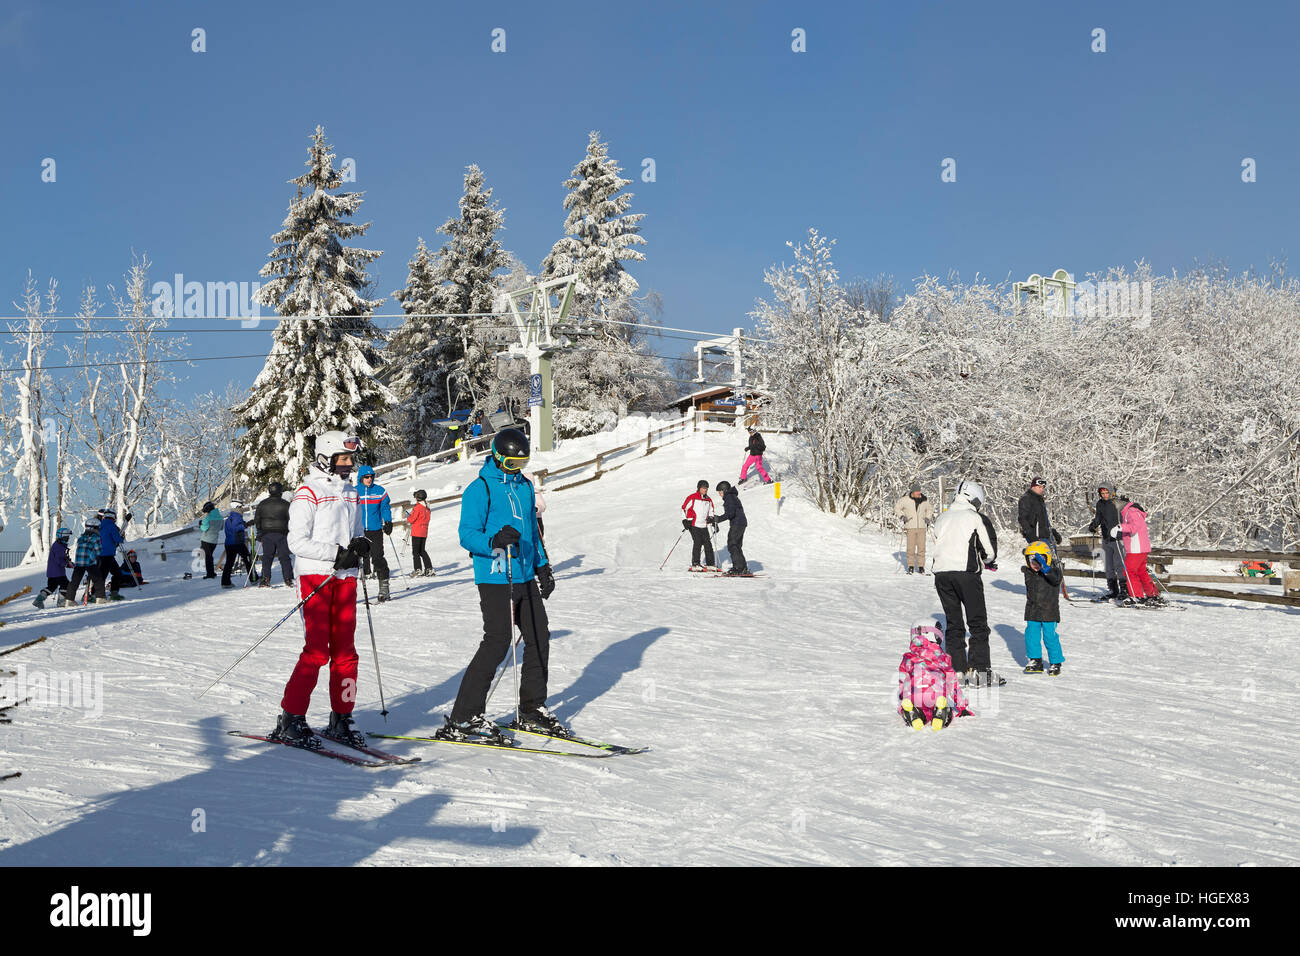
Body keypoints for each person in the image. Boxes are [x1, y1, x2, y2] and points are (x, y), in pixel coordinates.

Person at [439, 427, 559, 741]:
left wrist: (543, 567)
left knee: (539, 638)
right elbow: (467, 534)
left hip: (524, 574)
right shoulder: (480, 489)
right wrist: (493, 539)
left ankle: (532, 709)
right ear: (496, 457)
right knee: (497, 641)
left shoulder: (526, 488)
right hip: (495, 575)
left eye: (521, 464)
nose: (516, 470)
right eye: (510, 465)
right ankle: (464, 716)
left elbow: (533, 532)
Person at [273, 430, 371, 749]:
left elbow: (355, 532)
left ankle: (341, 717)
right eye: (342, 459)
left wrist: (360, 545)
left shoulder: (352, 492)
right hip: (316, 576)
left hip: (345, 578)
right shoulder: (308, 491)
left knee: (346, 652)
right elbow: (296, 542)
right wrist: (335, 552)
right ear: (324, 459)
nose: (348, 465)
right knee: (317, 651)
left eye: (350, 459)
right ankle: (292, 717)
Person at [929, 479, 1006, 686]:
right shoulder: (974, 517)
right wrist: (987, 561)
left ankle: (956, 671)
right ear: (975, 499)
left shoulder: (942, 518)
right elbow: (989, 551)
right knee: (977, 623)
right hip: (966, 574)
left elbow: (939, 541)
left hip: (941, 574)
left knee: (954, 624)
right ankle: (980, 671)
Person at [897, 621, 972, 730]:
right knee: (944, 706)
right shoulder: (942, 657)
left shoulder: (908, 658)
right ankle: (941, 712)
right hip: (936, 694)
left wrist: (901, 707)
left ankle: (914, 714)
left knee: (920, 709)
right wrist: (962, 706)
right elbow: (952, 683)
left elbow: (902, 683)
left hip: (914, 696)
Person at [1021, 541, 1065, 675]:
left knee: (1049, 637)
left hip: (1049, 611)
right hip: (1033, 610)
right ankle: (1035, 660)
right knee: (1031, 636)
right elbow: (1026, 566)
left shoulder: (1054, 572)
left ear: (1047, 559)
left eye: (1039, 561)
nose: (1035, 565)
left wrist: (1046, 569)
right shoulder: (1029, 573)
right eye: (1031, 561)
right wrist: (1029, 554)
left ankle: (1055, 662)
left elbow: (1056, 579)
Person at [356, 465, 393, 602]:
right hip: (358, 531)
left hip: (375, 530)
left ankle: (384, 589)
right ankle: (348, 593)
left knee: (377, 558)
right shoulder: (354, 492)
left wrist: (388, 521)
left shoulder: (380, 491)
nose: (369, 479)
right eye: (366, 477)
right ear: (361, 478)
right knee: (353, 562)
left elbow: (385, 508)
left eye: (371, 476)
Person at [1117, 497, 1163, 606]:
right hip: (1139, 548)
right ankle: (1152, 594)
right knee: (1141, 572)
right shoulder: (1131, 511)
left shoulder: (1131, 511)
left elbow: (1135, 527)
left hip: (1136, 548)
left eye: (1116, 504)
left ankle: (1136, 596)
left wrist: (1120, 527)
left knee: (1129, 571)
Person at [1087, 485, 1128, 601]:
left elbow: (1127, 516)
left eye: (1106, 493)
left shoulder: (1118, 503)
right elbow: (1098, 517)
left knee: (1119, 564)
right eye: (1102, 493)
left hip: (1118, 538)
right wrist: (1093, 525)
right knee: (1108, 565)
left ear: (1111, 492)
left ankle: (1124, 589)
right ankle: (1113, 589)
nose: (1105, 495)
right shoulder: (1100, 504)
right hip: (1106, 537)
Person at [254, 482, 294, 588]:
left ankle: (265, 579)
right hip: (282, 533)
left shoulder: (262, 504)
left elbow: (257, 519)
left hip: (267, 534)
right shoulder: (285, 504)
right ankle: (288, 579)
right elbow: (291, 519)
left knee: (267, 557)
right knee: (284, 557)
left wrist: (260, 531)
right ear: (280, 491)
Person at [64, 516, 106, 605]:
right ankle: (100, 598)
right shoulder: (96, 538)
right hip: (90, 562)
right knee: (98, 579)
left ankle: (69, 600)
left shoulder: (81, 538)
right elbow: (98, 551)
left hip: (79, 563)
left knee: (75, 581)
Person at [712, 480, 750, 575]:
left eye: (720, 492)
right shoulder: (732, 496)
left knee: (732, 544)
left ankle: (739, 568)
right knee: (736, 545)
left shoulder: (729, 497)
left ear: (724, 490)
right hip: (740, 523)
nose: (720, 495)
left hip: (737, 523)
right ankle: (742, 567)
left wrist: (718, 519)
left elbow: (730, 513)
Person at [893, 484, 934, 574]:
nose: (918, 493)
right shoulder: (905, 500)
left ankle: (921, 567)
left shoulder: (924, 500)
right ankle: (910, 566)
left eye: (919, 491)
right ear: (912, 492)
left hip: (921, 527)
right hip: (910, 526)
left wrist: (927, 517)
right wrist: (902, 516)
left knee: (921, 548)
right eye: (916, 492)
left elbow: (930, 509)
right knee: (910, 548)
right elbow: (897, 508)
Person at [681, 479, 718, 571]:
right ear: (699, 488)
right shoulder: (692, 497)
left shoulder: (708, 500)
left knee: (708, 544)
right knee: (697, 543)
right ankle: (695, 564)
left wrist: (711, 519)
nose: (705, 490)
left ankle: (710, 564)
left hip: (704, 525)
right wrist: (685, 520)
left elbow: (711, 511)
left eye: (706, 488)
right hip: (693, 524)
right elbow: (683, 508)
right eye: (703, 488)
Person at [33, 527, 73, 609]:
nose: (68, 539)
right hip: (58, 572)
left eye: (68, 537)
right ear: (62, 537)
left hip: (52, 572)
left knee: (51, 587)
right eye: (66, 537)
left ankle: (39, 600)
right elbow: (59, 559)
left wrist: (68, 561)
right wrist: (66, 564)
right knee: (66, 585)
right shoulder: (59, 547)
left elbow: (61, 558)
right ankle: (61, 602)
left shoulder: (58, 545)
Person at [1017, 476, 1062, 545]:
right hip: (1036, 538)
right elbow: (1022, 519)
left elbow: (1043, 521)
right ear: (1033, 487)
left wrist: (1053, 532)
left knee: (1052, 555)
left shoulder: (1040, 500)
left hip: (1046, 537)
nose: (1042, 489)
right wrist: (1031, 536)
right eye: (1039, 487)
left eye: (1043, 487)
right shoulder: (1026, 499)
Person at [221, 502, 254, 589]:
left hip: (229, 543)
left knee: (229, 562)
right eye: (241, 507)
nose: (242, 508)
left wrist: (245, 524)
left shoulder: (230, 517)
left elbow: (234, 527)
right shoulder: (236, 516)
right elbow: (235, 528)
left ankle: (225, 582)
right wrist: (245, 525)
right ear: (237, 507)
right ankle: (253, 578)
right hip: (237, 543)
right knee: (247, 559)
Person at [97, 508, 128, 601]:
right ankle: (99, 595)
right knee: (104, 575)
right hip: (107, 555)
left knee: (116, 573)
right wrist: (121, 537)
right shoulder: (112, 526)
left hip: (99, 554)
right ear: (113, 516)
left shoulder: (99, 525)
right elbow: (117, 539)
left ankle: (113, 593)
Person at [408, 489, 434, 577]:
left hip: (416, 532)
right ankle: (429, 568)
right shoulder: (427, 507)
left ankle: (418, 569)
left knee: (415, 552)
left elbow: (412, 519)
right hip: (424, 532)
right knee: (422, 551)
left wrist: (409, 516)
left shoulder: (417, 507)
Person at [199, 502, 222, 579]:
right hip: (214, 541)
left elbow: (204, 528)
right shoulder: (220, 517)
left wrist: (201, 525)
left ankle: (210, 574)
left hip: (206, 540)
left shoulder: (208, 517)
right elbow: (221, 527)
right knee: (210, 556)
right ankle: (211, 572)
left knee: (208, 557)